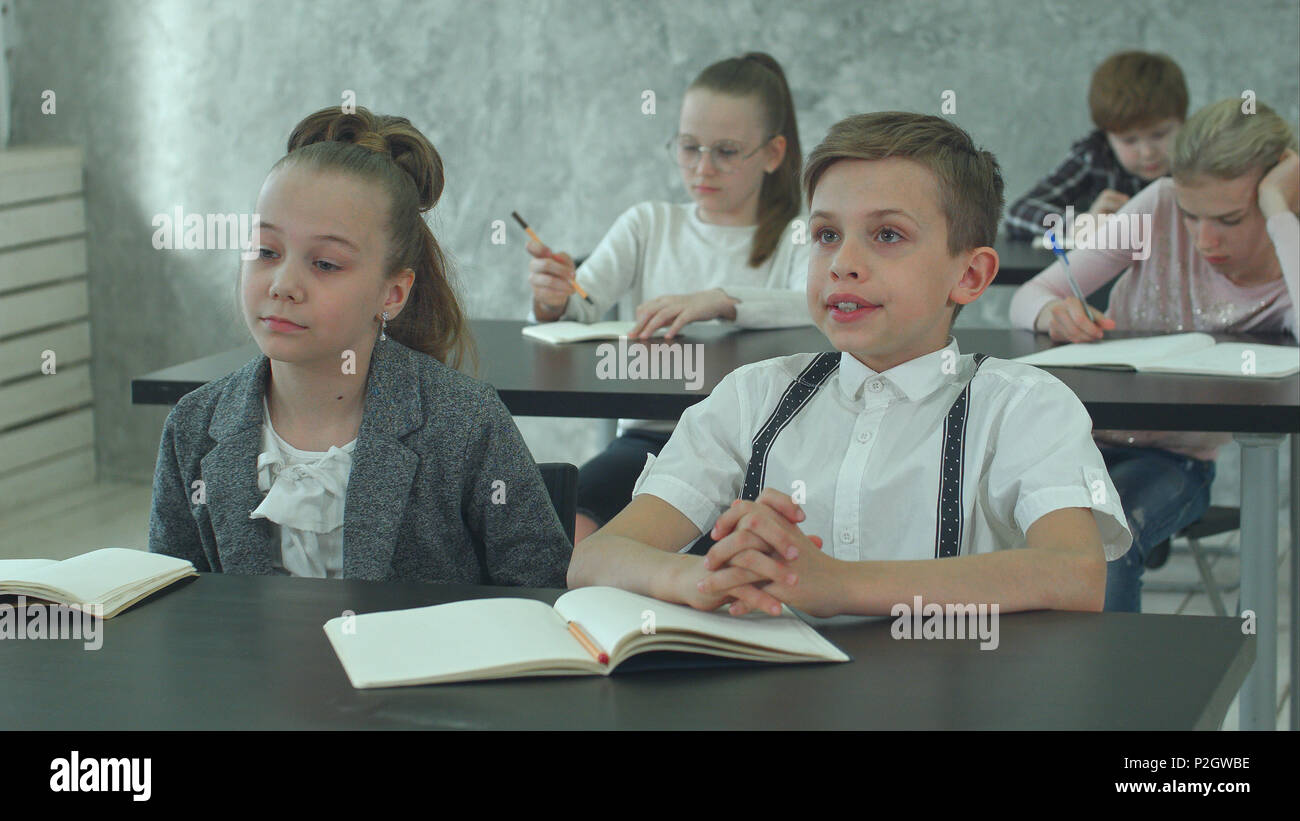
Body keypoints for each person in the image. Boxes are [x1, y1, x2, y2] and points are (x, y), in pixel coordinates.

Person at [567, 112, 1131, 618]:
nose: (843, 263)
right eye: (826, 235)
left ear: (971, 275)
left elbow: (1075, 574)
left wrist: (841, 585)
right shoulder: (751, 397)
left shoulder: (1024, 405)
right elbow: (594, 561)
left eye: (888, 235)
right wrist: (699, 577)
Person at [149, 106, 571, 585]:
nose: (283, 284)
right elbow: (172, 607)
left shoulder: (465, 422)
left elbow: (542, 593)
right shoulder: (192, 426)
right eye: (266, 251)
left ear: (392, 293)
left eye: (325, 264)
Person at [1010, 98, 1299, 611]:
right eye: (1192, 216)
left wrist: (1280, 209)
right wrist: (1050, 315)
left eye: (1231, 219)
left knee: (1104, 541)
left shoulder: (1289, 252)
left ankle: (1105, 692)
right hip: (1072, 442)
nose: (1205, 240)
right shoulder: (1159, 204)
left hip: (1173, 462)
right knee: (980, 526)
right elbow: (1029, 296)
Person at [527, 52, 812, 544]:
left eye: (726, 151)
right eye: (688, 147)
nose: (703, 167)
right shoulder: (648, 224)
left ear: (772, 153)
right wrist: (553, 298)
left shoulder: (801, 236)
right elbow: (578, 310)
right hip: (649, 441)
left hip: (757, 451)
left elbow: (816, 305)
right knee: (561, 532)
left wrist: (720, 300)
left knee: (727, 556)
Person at [1004, 51, 1187, 241]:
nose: (1148, 152)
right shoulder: (1095, 155)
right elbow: (1019, 212)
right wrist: (1082, 225)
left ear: (1183, 122)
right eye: (1129, 140)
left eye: (1159, 135)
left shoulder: (1203, 157)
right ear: (1107, 134)